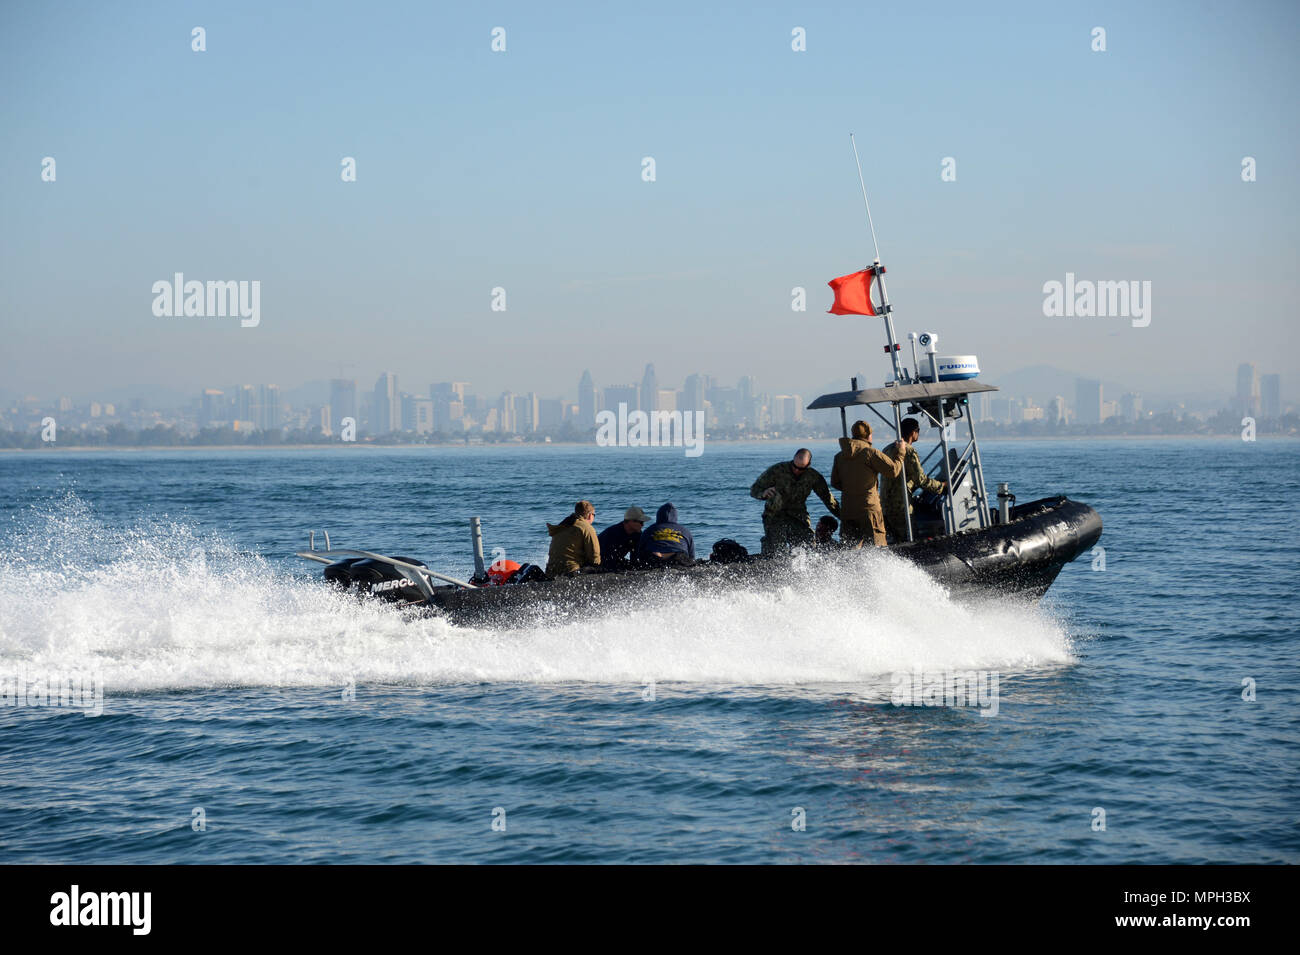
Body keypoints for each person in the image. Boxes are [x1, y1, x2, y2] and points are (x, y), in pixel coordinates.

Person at [749, 449, 840, 554]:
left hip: (798, 515)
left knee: (807, 545)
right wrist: (763, 493)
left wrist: (843, 516)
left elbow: (828, 499)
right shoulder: (777, 470)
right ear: (793, 460)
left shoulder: (813, 476)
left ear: (808, 465)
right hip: (774, 515)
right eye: (795, 466)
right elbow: (754, 489)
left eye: (801, 468)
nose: (796, 470)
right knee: (776, 549)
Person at [831, 421, 905, 547]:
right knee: (877, 547)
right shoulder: (870, 453)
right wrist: (901, 452)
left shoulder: (839, 456)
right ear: (869, 435)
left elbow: (835, 482)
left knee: (850, 549)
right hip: (869, 508)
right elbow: (893, 471)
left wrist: (852, 489)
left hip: (848, 510)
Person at [882, 417, 947, 543]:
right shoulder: (909, 450)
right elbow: (921, 480)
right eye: (918, 430)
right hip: (901, 506)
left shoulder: (887, 449)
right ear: (913, 432)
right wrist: (942, 485)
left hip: (886, 505)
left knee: (894, 541)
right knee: (909, 541)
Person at [545, 500, 601, 576]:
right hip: (570, 572)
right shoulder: (587, 528)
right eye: (594, 515)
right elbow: (594, 557)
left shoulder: (563, 525)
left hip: (550, 571)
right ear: (590, 515)